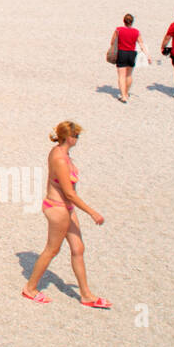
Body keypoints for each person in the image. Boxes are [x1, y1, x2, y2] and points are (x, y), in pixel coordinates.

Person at [21, 121, 111, 308]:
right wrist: (92, 212)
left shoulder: (61, 151)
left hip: (66, 208)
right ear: (69, 138)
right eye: (76, 136)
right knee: (52, 249)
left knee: (78, 248)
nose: (78, 139)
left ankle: (86, 295)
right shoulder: (60, 159)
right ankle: (30, 288)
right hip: (57, 208)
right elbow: (69, 192)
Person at [109, 13, 150, 102]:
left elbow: (112, 42)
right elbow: (141, 44)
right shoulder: (136, 32)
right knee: (129, 75)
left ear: (124, 21)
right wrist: (147, 56)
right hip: (132, 54)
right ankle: (126, 93)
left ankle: (123, 96)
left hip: (122, 53)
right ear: (132, 22)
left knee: (121, 75)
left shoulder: (118, 30)